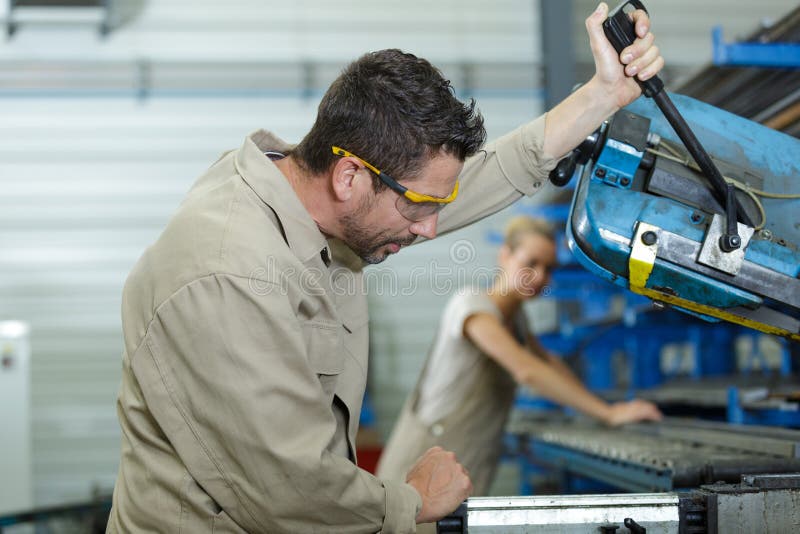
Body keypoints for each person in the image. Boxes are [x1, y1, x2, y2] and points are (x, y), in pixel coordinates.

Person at [107, 3, 664, 533]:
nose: (428, 230)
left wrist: (604, 95)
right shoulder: (231, 274)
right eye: (418, 209)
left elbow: (472, 180)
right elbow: (290, 494)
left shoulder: (302, 198)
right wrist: (411, 499)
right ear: (349, 177)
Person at [376, 216, 663, 503]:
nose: (539, 277)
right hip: (418, 473)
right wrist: (608, 414)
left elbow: (547, 362)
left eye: (548, 269)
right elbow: (526, 370)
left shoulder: (517, 320)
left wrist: (606, 408)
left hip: (461, 465)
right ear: (505, 255)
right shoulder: (472, 307)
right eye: (531, 263)